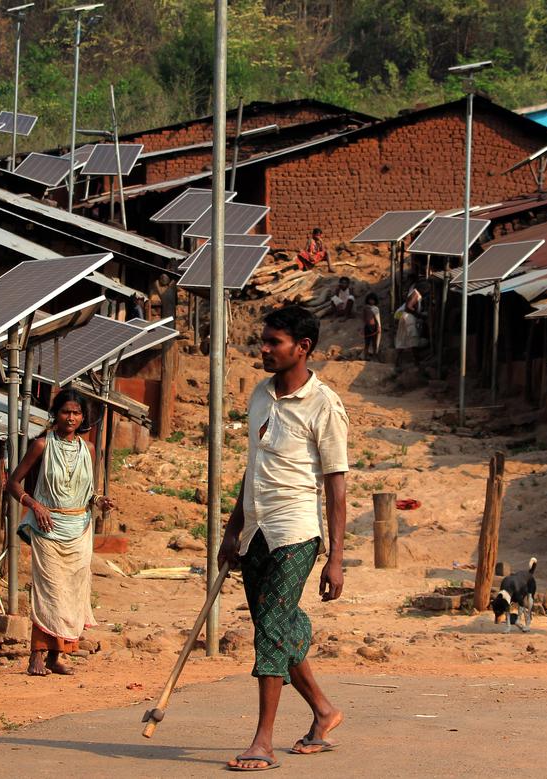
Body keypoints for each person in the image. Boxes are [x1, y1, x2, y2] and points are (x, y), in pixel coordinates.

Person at [218, 305, 349, 771]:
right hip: (256, 530)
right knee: (275, 627)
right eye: (265, 340)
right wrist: (232, 530)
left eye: (274, 342)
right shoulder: (259, 395)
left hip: (297, 532)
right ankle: (324, 712)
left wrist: (336, 558)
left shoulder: (324, 404)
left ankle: (261, 741)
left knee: (272, 627)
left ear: (303, 348)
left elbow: (336, 486)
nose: (265, 349)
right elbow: (252, 470)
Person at [6, 389, 116, 676]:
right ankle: (36, 655)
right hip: (48, 527)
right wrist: (34, 505)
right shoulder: (41, 445)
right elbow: (13, 483)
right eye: (66, 412)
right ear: (56, 414)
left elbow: (89, 494)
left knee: (72, 593)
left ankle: (58, 655)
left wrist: (99, 502)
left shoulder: (89, 449)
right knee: (49, 590)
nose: (71, 418)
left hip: (79, 529)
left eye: (76, 413)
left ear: (83, 418)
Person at [393, 284, 424, 368]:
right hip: (409, 318)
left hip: (404, 317)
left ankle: (397, 362)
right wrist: (419, 315)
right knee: (413, 340)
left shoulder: (413, 294)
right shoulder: (416, 294)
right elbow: (409, 306)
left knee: (402, 339)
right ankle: (417, 363)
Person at [362, 292, 381, 359]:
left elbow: (377, 319)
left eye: (373, 300)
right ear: (367, 300)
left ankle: (374, 356)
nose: (371, 301)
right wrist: (363, 327)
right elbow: (364, 318)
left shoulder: (376, 309)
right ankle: (365, 356)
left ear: (375, 301)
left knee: (374, 343)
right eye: (370, 300)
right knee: (367, 343)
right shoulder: (365, 308)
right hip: (367, 327)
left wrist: (378, 327)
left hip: (374, 327)